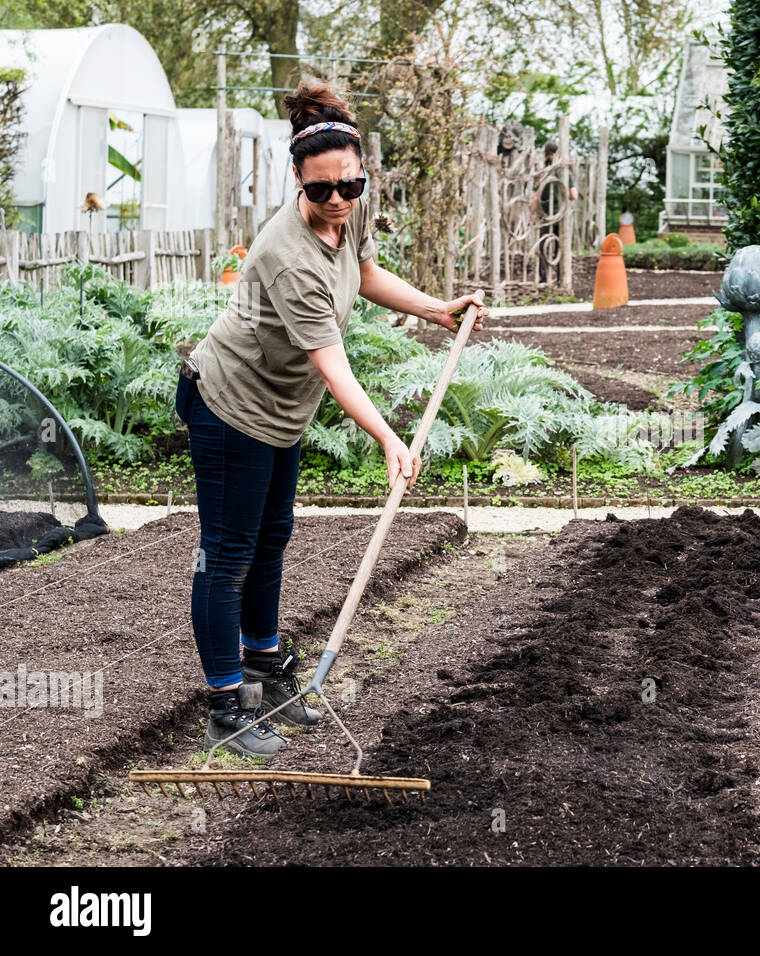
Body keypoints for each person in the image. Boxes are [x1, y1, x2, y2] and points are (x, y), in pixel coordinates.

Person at [176, 82, 489, 759]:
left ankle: (264, 671)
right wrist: (388, 438)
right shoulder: (287, 257)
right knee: (228, 555)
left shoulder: (349, 213)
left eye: (351, 185)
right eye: (322, 191)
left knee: (273, 538)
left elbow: (367, 272)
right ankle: (226, 707)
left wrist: (437, 308)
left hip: (279, 411)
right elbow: (332, 363)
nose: (339, 201)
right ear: (297, 180)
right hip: (230, 407)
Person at [530, 140, 577, 285]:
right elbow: (574, 195)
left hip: (544, 216)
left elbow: (533, 198)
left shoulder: (541, 173)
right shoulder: (564, 173)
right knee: (559, 247)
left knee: (543, 246)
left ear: (544, 153)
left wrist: (532, 215)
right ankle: (559, 278)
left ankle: (543, 278)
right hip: (560, 216)